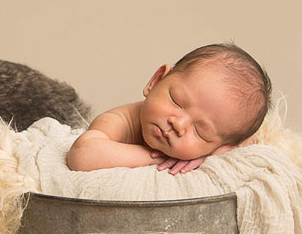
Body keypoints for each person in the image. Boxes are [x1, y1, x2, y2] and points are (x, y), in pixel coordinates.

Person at [66, 43, 271, 176]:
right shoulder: (121, 119)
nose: (178, 123)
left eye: (201, 132)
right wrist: (156, 157)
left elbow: (244, 142)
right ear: (155, 81)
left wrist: (206, 155)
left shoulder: (222, 145)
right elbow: (82, 154)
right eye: (177, 101)